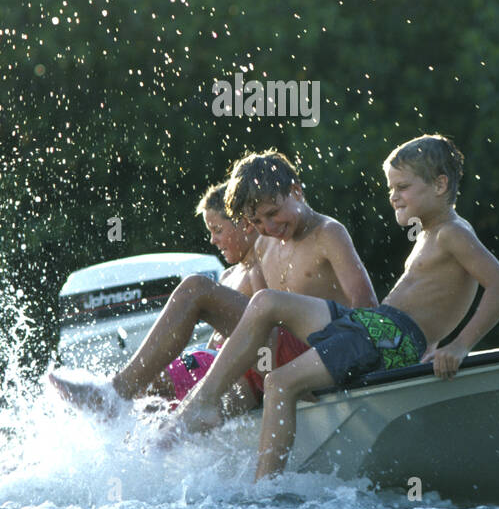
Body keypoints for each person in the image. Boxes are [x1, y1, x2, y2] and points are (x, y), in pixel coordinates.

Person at [168, 134, 499, 480]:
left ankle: (262, 489)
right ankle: (208, 402)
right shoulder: (431, 233)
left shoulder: (451, 232)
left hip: (386, 334)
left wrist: (460, 345)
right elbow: (437, 299)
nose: (393, 196)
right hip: (375, 328)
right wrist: (434, 340)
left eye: (403, 187)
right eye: (391, 188)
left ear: (440, 185)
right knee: (266, 304)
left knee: (280, 382)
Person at [52, 153, 377, 412]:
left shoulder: (328, 233)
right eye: (257, 221)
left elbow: (368, 312)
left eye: (273, 213)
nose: (268, 226)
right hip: (274, 356)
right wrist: (266, 376)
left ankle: (116, 393)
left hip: (324, 352)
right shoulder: (264, 245)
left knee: (196, 289)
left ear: (296, 191)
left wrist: (306, 374)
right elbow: (260, 318)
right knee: (177, 400)